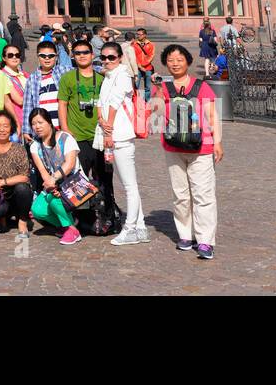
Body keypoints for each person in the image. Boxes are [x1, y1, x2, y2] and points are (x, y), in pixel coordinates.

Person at [152, 43, 222, 259]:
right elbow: (155, 114)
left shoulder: (201, 87)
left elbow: (212, 116)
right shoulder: (163, 88)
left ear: (188, 62)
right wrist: (157, 91)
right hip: (174, 146)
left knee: (203, 194)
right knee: (180, 195)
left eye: (179, 59)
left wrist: (218, 142)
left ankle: (205, 241)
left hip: (201, 147)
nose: (175, 63)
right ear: (165, 64)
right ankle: (185, 234)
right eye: (171, 60)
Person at [98, 41, 148, 246]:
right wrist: (102, 121)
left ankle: (130, 229)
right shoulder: (108, 76)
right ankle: (141, 227)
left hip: (120, 134)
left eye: (111, 57)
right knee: (126, 183)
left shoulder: (124, 75)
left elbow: (114, 102)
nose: (107, 60)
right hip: (110, 132)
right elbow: (101, 103)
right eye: (104, 57)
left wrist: (108, 128)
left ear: (119, 57)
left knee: (129, 185)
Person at [58, 37, 111, 216]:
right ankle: (80, 218)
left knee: (103, 178)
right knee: (77, 181)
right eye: (77, 53)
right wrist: (65, 130)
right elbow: (62, 105)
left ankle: (105, 214)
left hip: (99, 135)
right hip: (77, 136)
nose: (81, 56)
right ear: (73, 56)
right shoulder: (68, 78)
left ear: (92, 54)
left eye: (85, 52)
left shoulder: (102, 78)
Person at [28, 106, 94, 245]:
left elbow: (70, 164)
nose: (37, 127)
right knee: (37, 209)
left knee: (53, 199)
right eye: (33, 124)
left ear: (49, 122)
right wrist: (51, 186)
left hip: (77, 184)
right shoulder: (35, 146)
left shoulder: (65, 138)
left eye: (40, 122)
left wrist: (53, 180)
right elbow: (43, 172)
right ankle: (67, 224)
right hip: (55, 185)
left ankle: (72, 231)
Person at [0, 111, 32, 236]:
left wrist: (1, 182)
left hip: (16, 196)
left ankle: (22, 221)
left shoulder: (19, 148)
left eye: (5, 126)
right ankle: (3, 218)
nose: (1, 129)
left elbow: (25, 176)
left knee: (22, 188)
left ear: (11, 128)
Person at [22, 40, 71, 140]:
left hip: (63, 127)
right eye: (43, 56)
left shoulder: (64, 71)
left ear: (56, 56)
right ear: (38, 57)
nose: (47, 58)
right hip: (43, 130)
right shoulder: (32, 78)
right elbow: (28, 105)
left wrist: (102, 69)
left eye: (51, 56)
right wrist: (26, 130)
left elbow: (83, 70)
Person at [0, 44, 26, 132]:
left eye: (17, 55)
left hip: (29, 118)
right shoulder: (2, 75)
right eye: (10, 55)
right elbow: (19, 100)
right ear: (4, 58)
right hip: (17, 119)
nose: (14, 57)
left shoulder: (25, 74)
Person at [132, 27, 156, 102]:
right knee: (136, 85)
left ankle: (147, 101)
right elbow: (133, 56)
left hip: (147, 68)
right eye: (137, 34)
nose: (138, 36)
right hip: (137, 68)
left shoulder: (151, 44)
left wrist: (144, 65)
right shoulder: (134, 44)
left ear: (145, 35)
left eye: (140, 34)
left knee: (148, 86)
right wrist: (140, 66)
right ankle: (135, 101)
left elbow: (151, 56)